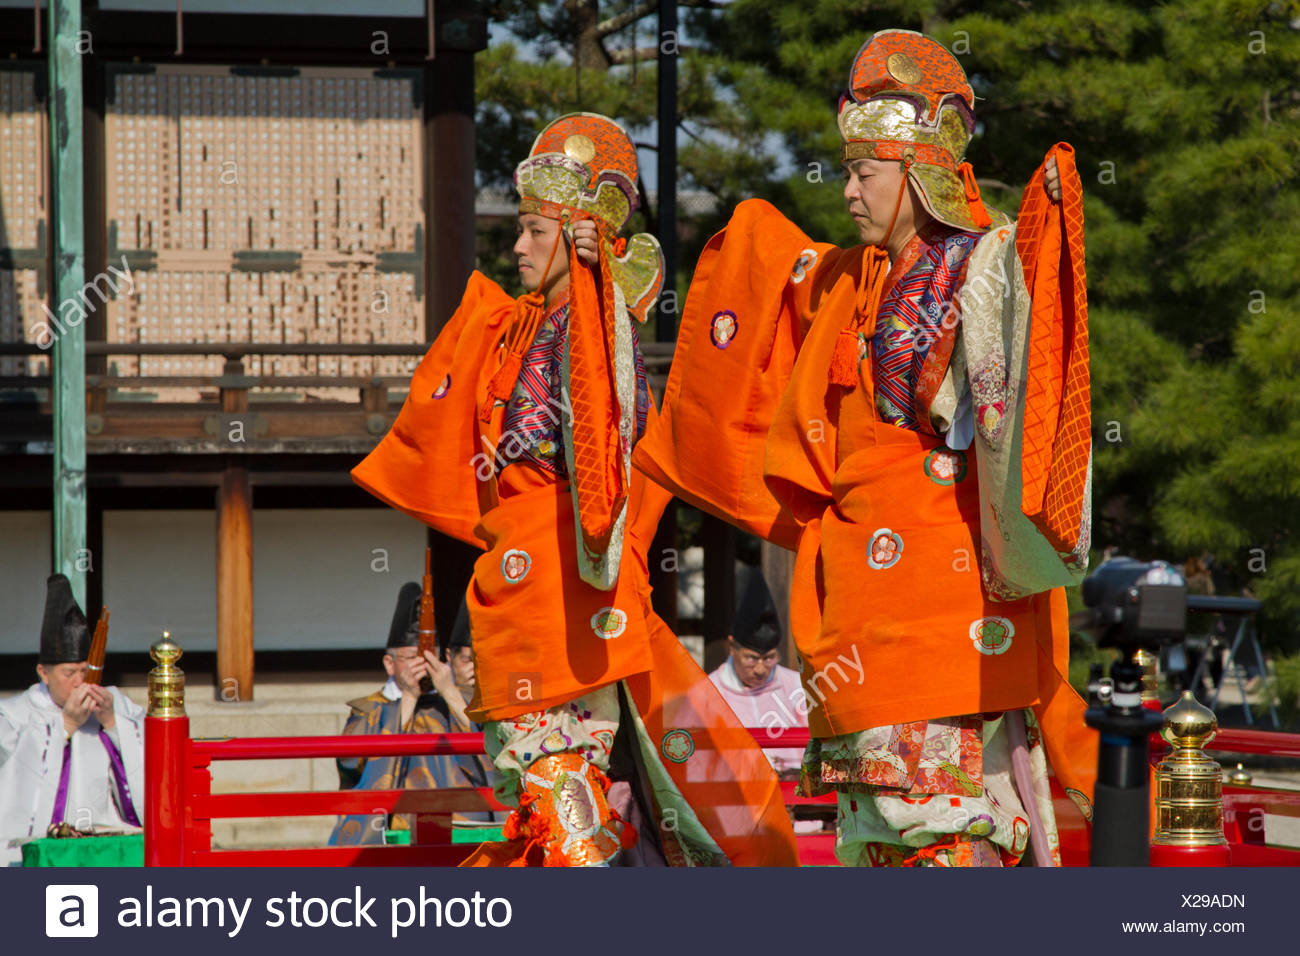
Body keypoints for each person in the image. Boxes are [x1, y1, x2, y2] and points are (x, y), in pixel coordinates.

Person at [636, 30, 1099, 867]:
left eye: (864, 174)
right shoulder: (853, 280)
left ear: (921, 172)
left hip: (942, 604)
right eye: (846, 171)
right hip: (858, 610)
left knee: (945, 834)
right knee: (873, 836)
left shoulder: (984, 271)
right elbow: (764, 255)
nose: (847, 191)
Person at [351, 113, 796, 866]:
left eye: (533, 231)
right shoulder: (517, 330)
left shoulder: (599, 338)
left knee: (572, 825)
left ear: (579, 235)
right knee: (551, 811)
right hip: (517, 595)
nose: (516, 247)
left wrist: (597, 285)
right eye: (518, 230)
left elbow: (609, 446)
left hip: (572, 605)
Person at [0, 574, 144, 865]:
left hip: (106, 840)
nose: (80, 682)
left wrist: (112, 723)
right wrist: (64, 726)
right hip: (45, 848)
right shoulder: (12, 716)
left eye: (85, 670)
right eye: (68, 673)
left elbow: (150, 763)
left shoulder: (116, 703)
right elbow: (14, 785)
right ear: (43, 672)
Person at [329, 583, 488, 846]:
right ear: (389, 664)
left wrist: (448, 691)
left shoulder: (457, 701)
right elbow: (350, 765)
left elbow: (489, 751)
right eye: (410, 657)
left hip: (462, 823)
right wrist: (409, 697)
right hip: (395, 827)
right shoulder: (368, 709)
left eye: (427, 655)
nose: (420, 664)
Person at [708, 568, 806, 774]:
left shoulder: (798, 686)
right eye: (751, 658)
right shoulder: (708, 692)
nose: (761, 669)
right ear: (732, 647)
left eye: (769, 658)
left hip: (796, 793)